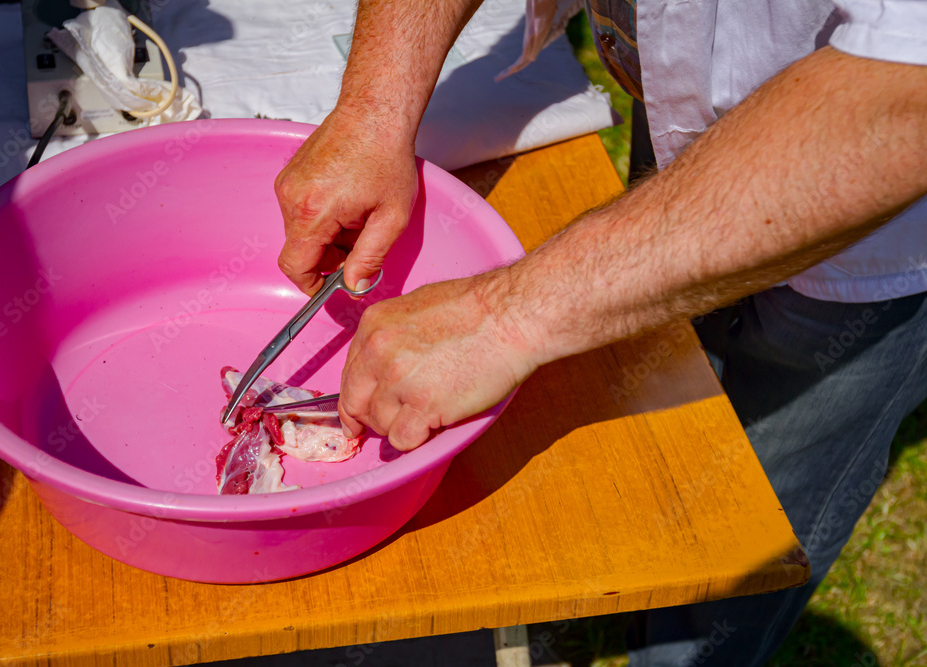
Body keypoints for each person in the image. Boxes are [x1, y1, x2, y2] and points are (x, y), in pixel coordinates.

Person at [274, 1, 927, 664]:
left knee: (744, 528)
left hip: (874, 240)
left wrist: (505, 316)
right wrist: (375, 111)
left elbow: (905, 97)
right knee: (661, 438)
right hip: (690, 100)